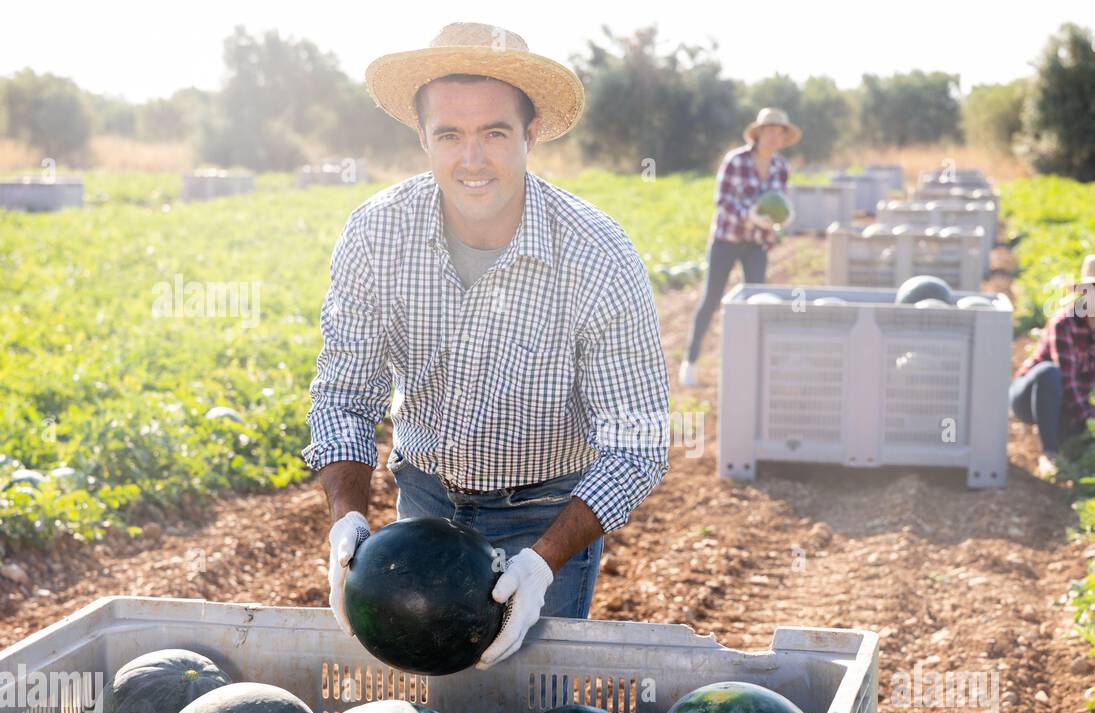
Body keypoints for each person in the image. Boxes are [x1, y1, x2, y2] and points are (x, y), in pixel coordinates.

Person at [302, 22, 670, 668]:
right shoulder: (375, 236)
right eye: (449, 134)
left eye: (494, 133)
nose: (471, 159)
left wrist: (542, 564)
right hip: (423, 503)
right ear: (423, 138)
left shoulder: (597, 256)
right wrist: (347, 520)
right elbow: (343, 398)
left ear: (531, 135)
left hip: (551, 511)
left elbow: (637, 444)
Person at [678, 107, 800, 388]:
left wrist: (784, 217)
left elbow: (778, 203)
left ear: (783, 138)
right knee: (711, 299)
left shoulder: (782, 168)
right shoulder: (735, 160)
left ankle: (750, 365)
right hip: (727, 239)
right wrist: (749, 215)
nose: (773, 136)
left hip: (757, 244)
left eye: (778, 132)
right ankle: (691, 360)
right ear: (758, 133)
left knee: (756, 302)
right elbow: (721, 201)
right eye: (768, 130)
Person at [1010, 253, 1095, 478]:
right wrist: (1090, 419)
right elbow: (1068, 381)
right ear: (1085, 292)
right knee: (1049, 372)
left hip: (1066, 402)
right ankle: (1049, 453)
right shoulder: (1064, 323)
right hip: (1028, 396)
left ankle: (1065, 438)